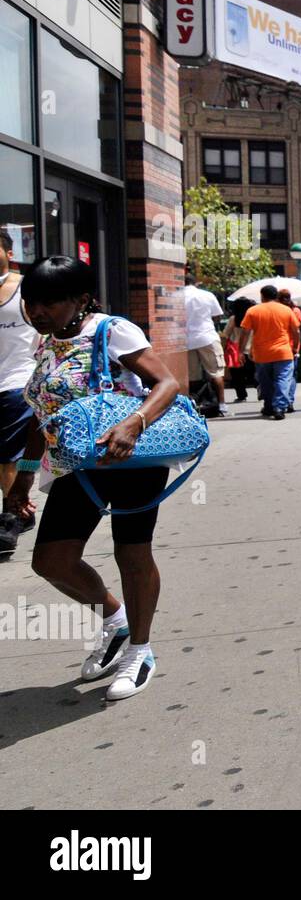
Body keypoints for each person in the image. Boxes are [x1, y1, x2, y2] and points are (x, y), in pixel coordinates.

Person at [4, 257, 181, 700]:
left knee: (132, 552)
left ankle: (140, 649)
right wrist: (24, 479)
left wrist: (133, 424)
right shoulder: (45, 344)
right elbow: (38, 415)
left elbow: (167, 384)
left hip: (130, 460)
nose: (36, 312)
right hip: (74, 465)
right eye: (30, 303)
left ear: (80, 300)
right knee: (50, 560)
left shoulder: (111, 330)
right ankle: (115, 619)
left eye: (48, 303)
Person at [0, 230, 37, 554]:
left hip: (16, 382)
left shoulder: (26, 288)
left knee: (6, 456)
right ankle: (18, 511)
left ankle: (9, 520)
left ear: (8, 252)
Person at [240, 284, 298, 420]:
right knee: (283, 379)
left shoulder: (253, 311)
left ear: (262, 296)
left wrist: (241, 350)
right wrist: (295, 347)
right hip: (283, 352)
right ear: (276, 296)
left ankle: (268, 406)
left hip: (262, 353)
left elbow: (245, 332)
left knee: (265, 381)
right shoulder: (286, 310)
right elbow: (296, 331)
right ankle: (279, 407)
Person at [180, 274, 228, 416]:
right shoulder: (206, 295)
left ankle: (193, 405)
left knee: (192, 377)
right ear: (196, 283)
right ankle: (222, 405)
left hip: (187, 340)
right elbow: (217, 315)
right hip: (207, 336)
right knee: (216, 373)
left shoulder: (177, 296)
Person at [222, 298, 255, 403]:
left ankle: (241, 395)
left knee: (237, 375)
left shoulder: (234, 319)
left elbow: (226, 335)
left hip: (235, 350)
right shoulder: (253, 317)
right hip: (251, 349)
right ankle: (259, 388)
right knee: (252, 372)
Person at [276, 289, 301, 413]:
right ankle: (290, 401)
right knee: (291, 376)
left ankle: (282, 401)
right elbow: (297, 330)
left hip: (279, 346)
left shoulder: (277, 311)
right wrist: (296, 347)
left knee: (279, 377)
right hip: (291, 347)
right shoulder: (295, 311)